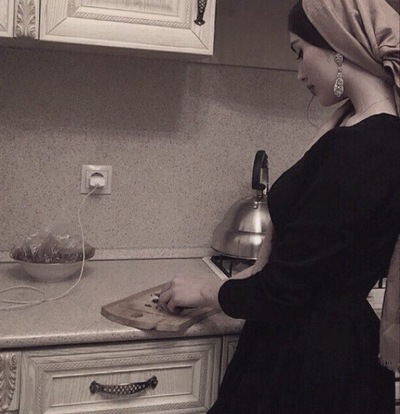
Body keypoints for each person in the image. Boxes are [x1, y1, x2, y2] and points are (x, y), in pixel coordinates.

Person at [159, 0, 400, 412]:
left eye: (299, 52)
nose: (299, 72)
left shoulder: (367, 146)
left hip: (313, 367)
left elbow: (286, 289)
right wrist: (237, 284)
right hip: (312, 347)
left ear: (337, 46)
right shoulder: (358, 129)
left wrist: (206, 290)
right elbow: (304, 266)